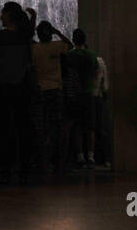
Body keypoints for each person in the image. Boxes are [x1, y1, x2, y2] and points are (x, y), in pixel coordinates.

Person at [0, 2, 33, 184]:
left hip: (2, 89)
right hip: (22, 88)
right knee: (23, 129)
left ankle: (5, 166)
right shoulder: (25, 38)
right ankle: (24, 166)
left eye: (2, 13)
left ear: (9, 15)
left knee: (3, 129)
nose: (0, 16)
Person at [31, 20, 70, 174]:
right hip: (56, 90)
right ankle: (59, 162)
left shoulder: (34, 49)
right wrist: (57, 32)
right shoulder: (57, 46)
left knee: (42, 127)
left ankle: (42, 162)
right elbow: (70, 45)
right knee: (57, 126)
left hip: (41, 90)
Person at [65, 29, 99, 169]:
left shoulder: (70, 55)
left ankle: (79, 156)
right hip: (88, 93)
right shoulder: (91, 55)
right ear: (85, 40)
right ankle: (91, 155)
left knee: (77, 126)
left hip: (74, 95)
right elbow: (95, 72)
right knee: (90, 126)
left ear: (73, 40)